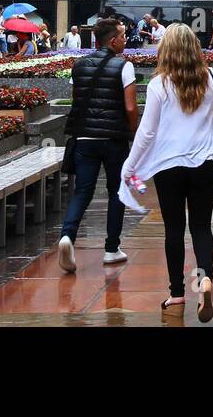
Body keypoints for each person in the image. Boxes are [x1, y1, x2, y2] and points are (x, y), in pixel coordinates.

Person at [120, 23, 213, 320]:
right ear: (195, 48)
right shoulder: (210, 78)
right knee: (201, 227)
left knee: (174, 229)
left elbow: (146, 132)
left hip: (169, 166)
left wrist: (130, 166)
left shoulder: (160, 84)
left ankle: (177, 293)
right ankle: (205, 279)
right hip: (206, 163)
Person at [58, 18, 139, 273]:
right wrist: (133, 131)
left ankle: (67, 236)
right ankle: (112, 248)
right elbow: (130, 107)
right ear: (113, 40)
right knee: (116, 190)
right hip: (113, 139)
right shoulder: (123, 67)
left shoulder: (79, 66)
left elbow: (76, 101)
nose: (126, 41)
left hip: (84, 138)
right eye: (123, 37)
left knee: (82, 190)